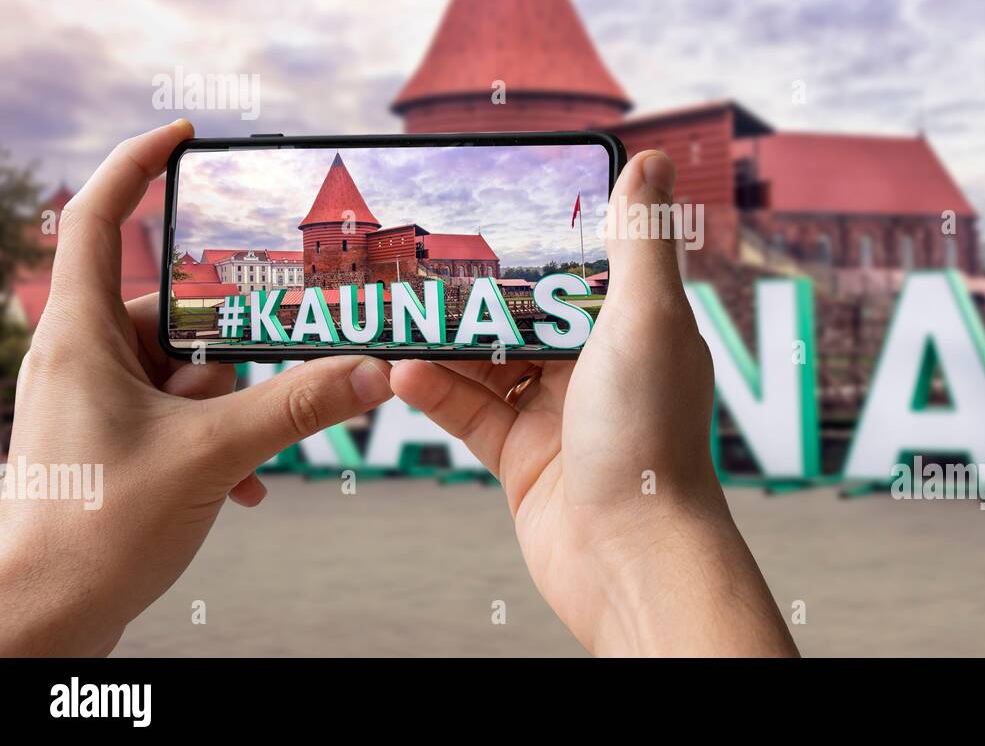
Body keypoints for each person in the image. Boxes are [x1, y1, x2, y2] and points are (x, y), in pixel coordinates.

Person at [0, 120, 798, 657]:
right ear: (318, 238)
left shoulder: (447, 254)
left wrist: (43, 594)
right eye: (328, 236)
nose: (334, 242)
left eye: (341, 235)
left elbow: (463, 268)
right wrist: (647, 527)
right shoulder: (329, 253)